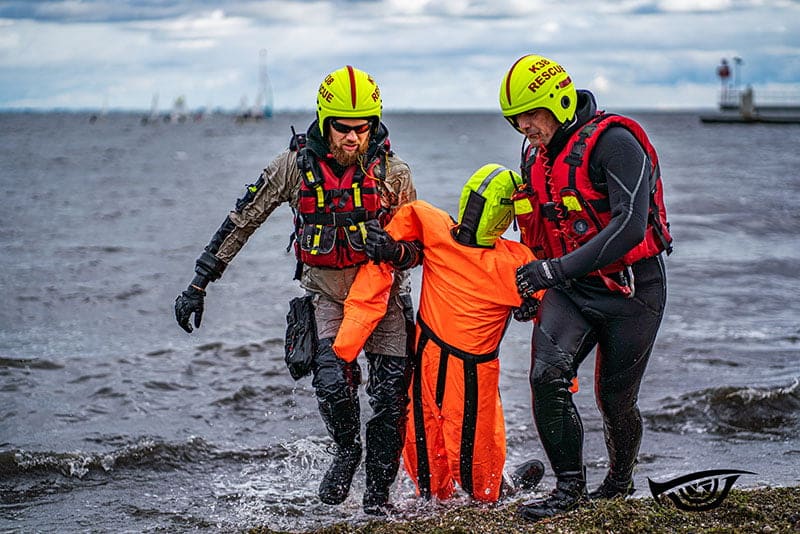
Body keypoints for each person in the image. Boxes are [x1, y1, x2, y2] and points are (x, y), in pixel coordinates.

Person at [173, 65, 418, 516]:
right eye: (342, 128)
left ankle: (378, 500)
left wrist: (396, 250)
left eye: (362, 128)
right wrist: (198, 283)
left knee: (390, 397)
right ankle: (347, 450)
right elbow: (242, 220)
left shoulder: (394, 174)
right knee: (330, 384)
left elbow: (418, 249)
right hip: (327, 296)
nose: (352, 138)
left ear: (374, 123)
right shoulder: (293, 168)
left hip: (383, 299)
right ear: (325, 123)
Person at [498, 54, 673, 521]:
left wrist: (552, 272)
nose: (523, 128)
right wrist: (534, 280)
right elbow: (540, 228)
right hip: (572, 288)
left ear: (557, 101)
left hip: (632, 290)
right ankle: (568, 490)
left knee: (615, 401)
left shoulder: (615, 142)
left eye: (530, 115)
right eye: (516, 120)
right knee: (545, 377)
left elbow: (630, 228)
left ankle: (618, 483)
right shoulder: (535, 153)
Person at [332, 163, 546, 504]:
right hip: (428, 358)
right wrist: (386, 246)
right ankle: (457, 497)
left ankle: (502, 490)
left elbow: (552, 316)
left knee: (476, 467)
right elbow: (393, 250)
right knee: (425, 458)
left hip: (471, 370)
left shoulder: (514, 261)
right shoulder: (438, 230)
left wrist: (533, 305)